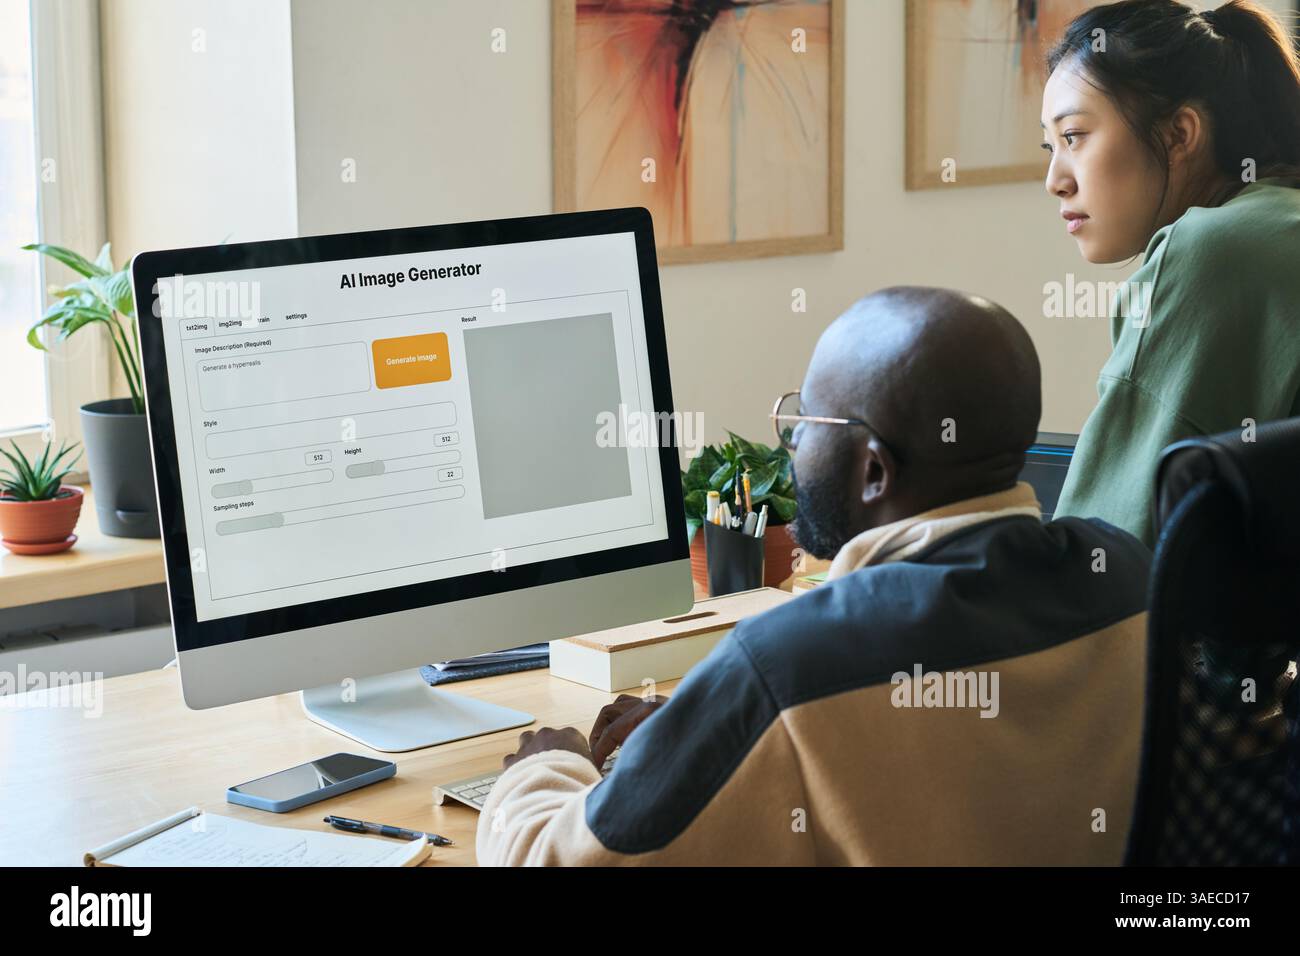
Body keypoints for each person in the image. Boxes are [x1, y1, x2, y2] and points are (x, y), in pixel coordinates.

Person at [474, 287, 1152, 866]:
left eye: (807, 421)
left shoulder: (793, 665)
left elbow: (554, 857)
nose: (791, 444)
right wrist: (703, 735)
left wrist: (545, 767)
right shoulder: (1128, 578)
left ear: (875, 469)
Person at [1042, 0, 1300, 547]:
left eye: (1074, 137)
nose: (1055, 180)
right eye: (1051, 147)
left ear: (1180, 134)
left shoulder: (1214, 252)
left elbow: (1103, 557)